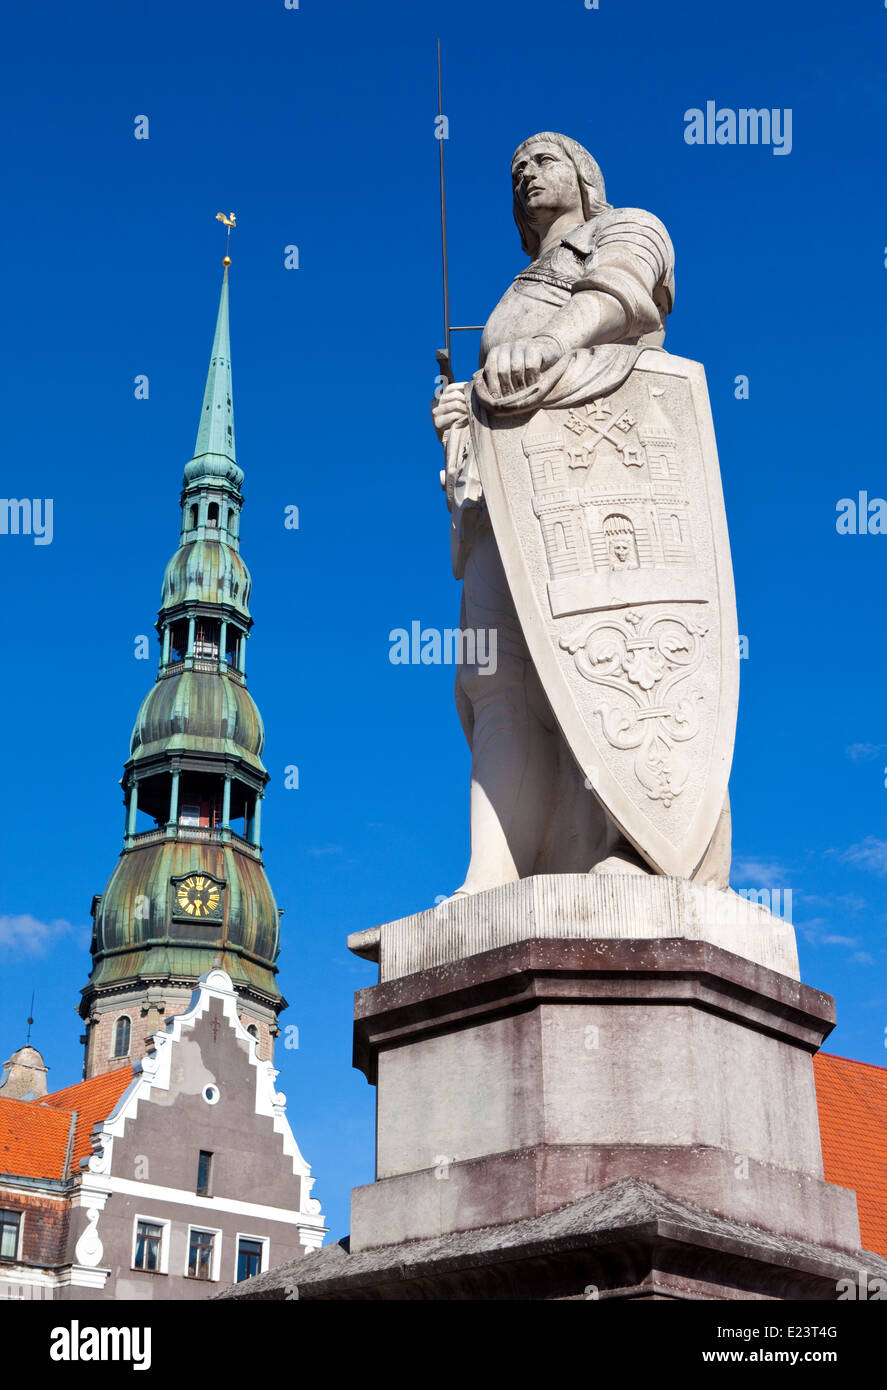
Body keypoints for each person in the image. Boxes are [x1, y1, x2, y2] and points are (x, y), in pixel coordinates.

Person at [431, 132, 730, 895]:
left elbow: (622, 292)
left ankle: (642, 846)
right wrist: (462, 425)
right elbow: (508, 407)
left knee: (621, 660)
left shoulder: (625, 227)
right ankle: (492, 874)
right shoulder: (517, 286)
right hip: (515, 500)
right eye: (516, 170)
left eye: (544, 160)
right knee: (492, 677)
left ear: (584, 175)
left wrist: (547, 344)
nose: (528, 174)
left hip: (603, 478)